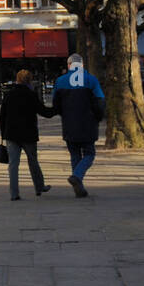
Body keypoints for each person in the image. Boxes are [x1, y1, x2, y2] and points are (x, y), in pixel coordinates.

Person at [52, 54, 105, 197]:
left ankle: (78, 183)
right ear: (82, 65)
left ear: (69, 65)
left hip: (69, 123)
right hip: (88, 123)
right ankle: (77, 177)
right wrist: (98, 117)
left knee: (74, 153)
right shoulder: (91, 80)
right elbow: (100, 102)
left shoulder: (60, 81)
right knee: (89, 153)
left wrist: (63, 113)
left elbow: (55, 104)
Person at [0, 69, 56, 200]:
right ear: (30, 80)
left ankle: (14, 193)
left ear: (17, 79)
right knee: (33, 161)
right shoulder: (31, 95)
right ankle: (39, 186)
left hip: (11, 133)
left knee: (13, 164)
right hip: (28, 133)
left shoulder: (9, 95)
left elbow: (2, 116)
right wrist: (57, 109)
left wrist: (3, 134)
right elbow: (44, 112)